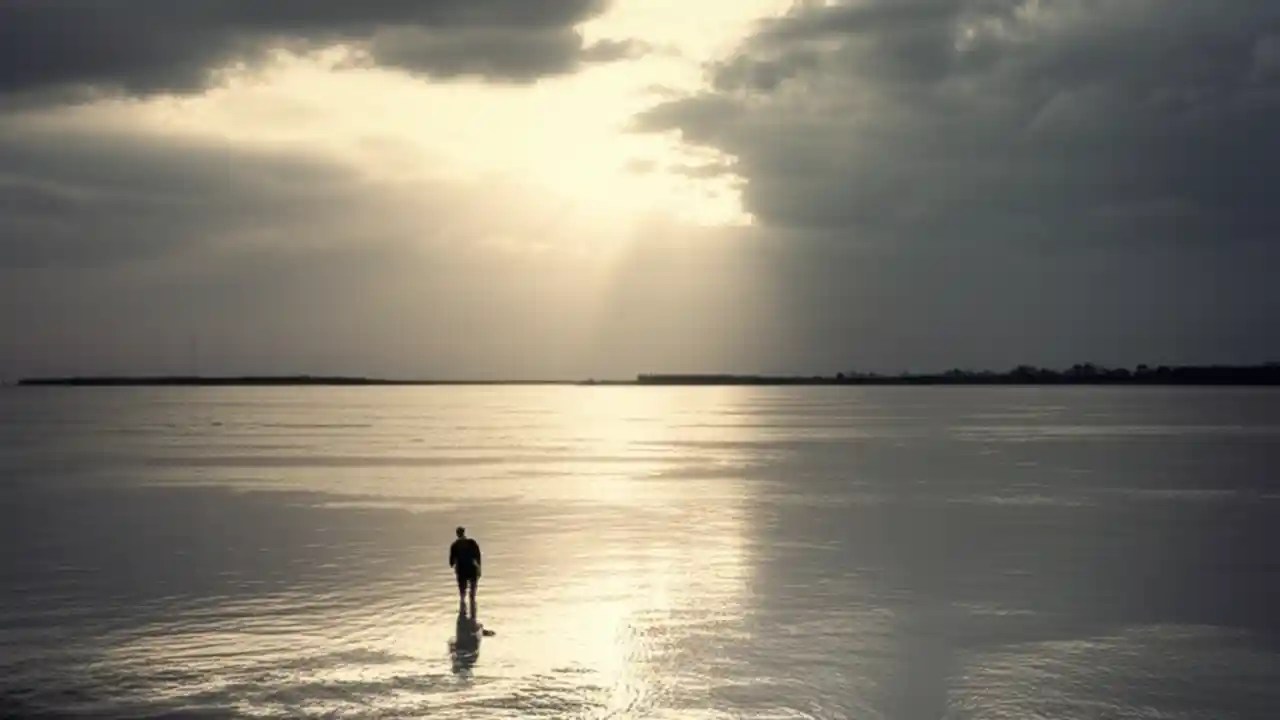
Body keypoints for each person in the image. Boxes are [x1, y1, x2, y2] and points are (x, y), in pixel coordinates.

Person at [449, 526, 481, 613]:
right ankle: (473, 611)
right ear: (464, 533)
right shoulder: (472, 543)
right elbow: (478, 556)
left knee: (462, 592)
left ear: (457, 534)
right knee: (472, 592)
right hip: (472, 569)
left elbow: (451, 563)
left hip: (461, 570)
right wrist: (479, 568)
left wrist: (454, 563)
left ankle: (463, 608)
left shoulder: (454, 546)